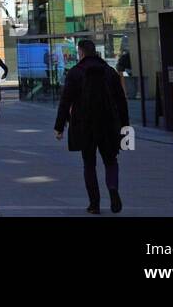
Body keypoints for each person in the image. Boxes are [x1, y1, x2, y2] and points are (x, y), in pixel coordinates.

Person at [54, 39, 129, 215]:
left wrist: (59, 127)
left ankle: (94, 204)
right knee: (111, 161)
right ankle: (112, 188)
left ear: (81, 52)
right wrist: (125, 128)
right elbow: (121, 102)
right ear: (95, 52)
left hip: (84, 125)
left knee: (89, 164)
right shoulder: (109, 72)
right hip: (108, 124)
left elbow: (66, 101)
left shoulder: (75, 73)